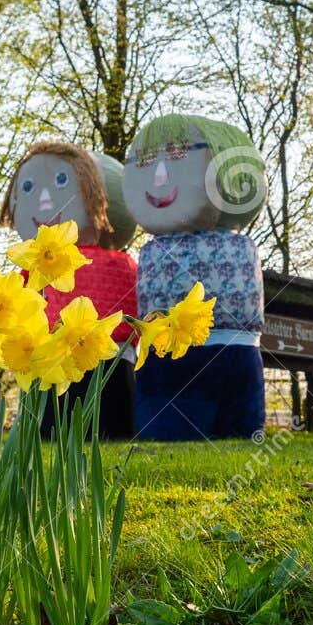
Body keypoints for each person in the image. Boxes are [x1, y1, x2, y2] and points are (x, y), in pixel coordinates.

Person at [123, 113, 266, 440]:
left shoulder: (238, 245)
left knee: (181, 430)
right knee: (179, 430)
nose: (159, 177)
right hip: (179, 353)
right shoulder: (240, 247)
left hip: (227, 350)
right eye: (145, 163)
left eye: (177, 159)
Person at [0, 139, 138, 437]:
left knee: (86, 428)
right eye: (28, 188)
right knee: (68, 430)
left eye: (62, 181)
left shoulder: (121, 264)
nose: (45, 200)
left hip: (106, 360)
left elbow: (137, 320)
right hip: (60, 361)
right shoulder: (31, 270)